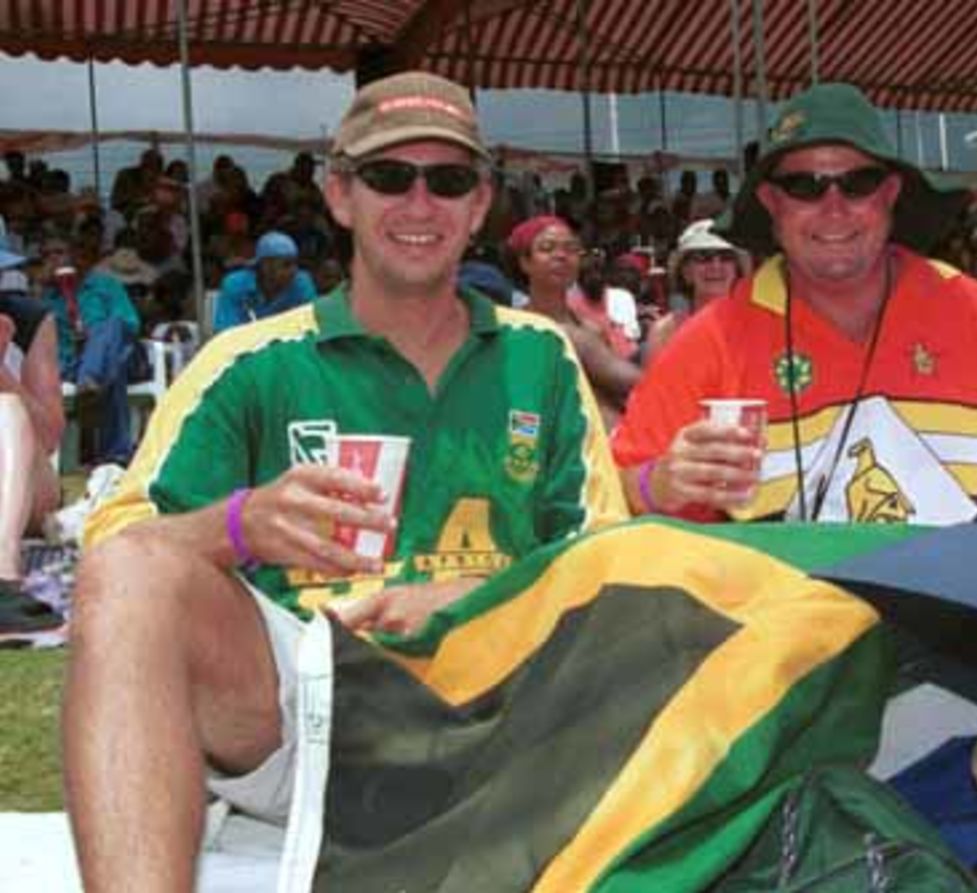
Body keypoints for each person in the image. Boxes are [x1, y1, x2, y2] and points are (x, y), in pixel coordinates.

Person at [63, 70, 627, 891]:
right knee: (132, 572)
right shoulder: (252, 362)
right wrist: (235, 524)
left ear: (479, 206)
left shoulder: (541, 355)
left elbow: (607, 564)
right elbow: (114, 557)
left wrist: (482, 594)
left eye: (450, 180)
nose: (419, 203)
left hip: (496, 708)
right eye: (390, 177)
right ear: (339, 195)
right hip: (302, 705)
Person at [611, 82, 977, 546]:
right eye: (805, 186)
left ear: (889, 194)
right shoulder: (714, 338)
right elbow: (615, 488)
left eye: (857, 183)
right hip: (790, 639)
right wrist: (656, 485)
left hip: (965, 628)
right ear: (773, 203)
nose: (834, 207)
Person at [506, 215, 641, 428]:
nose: (561, 256)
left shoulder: (590, 329)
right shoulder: (518, 330)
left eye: (571, 249)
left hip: (607, 450)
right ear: (524, 262)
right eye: (547, 248)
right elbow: (522, 413)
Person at [40, 234, 142, 464]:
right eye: (46, 255)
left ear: (76, 255)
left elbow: (129, 325)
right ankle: (116, 455)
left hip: (126, 352)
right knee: (111, 368)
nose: (53, 259)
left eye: (58, 252)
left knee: (109, 328)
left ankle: (92, 375)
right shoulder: (49, 298)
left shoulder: (105, 285)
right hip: (78, 366)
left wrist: (95, 337)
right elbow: (47, 346)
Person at [0, 255, 64, 596]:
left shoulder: (29, 320)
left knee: (9, 411)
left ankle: (4, 570)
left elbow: (51, 437)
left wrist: (3, 374)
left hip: (22, 479)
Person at [643, 218, 750, 366]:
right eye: (703, 258)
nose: (715, 266)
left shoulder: (755, 325)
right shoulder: (665, 332)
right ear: (686, 272)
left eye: (726, 257)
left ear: (736, 270)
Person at [212, 230, 317, 332]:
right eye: (287, 265)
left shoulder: (302, 282)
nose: (294, 271)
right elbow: (225, 332)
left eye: (296, 264)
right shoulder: (235, 284)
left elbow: (312, 326)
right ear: (265, 266)